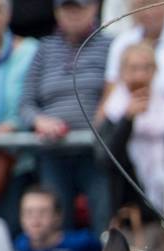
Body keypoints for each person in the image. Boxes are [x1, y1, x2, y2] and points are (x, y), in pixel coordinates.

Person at [18, 0, 112, 235]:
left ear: (93, 9)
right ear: (57, 12)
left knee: (104, 218)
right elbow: (26, 103)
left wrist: (102, 118)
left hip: (96, 151)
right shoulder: (44, 49)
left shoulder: (109, 44)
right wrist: (40, 121)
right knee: (55, 225)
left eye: (78, 8)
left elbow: (115, 91)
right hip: (54, 150)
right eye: (67, 9)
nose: (72, 15)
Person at [101, 43, 164, 222]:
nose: (140, 75)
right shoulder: (113, 111)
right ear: (122, 72)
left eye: (146, 68)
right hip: (129, 208)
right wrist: (128, 119)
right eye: (133, 69)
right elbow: (107, 158)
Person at [0, 0, 39, 233]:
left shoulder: (29, 51)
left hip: (16, 164)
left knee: (10, 232)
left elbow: (36, 101)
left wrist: (12, 126)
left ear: (8, 15)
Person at [14, 185, 100, 251]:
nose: (35, 219)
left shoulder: (82, 242)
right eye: (28, 212)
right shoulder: (19, 246)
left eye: (43, 212)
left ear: (58, 216)